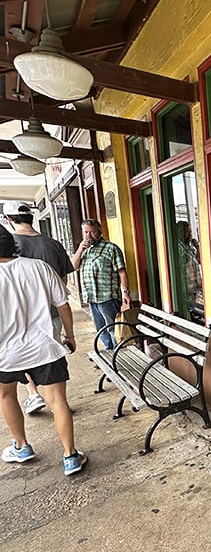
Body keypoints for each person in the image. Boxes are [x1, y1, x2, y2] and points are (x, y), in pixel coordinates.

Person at [0, 223, 86, 476]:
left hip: (6, 353)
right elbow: (63, 305)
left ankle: (22, 446)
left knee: (6, 396)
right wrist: (68, 336)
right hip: (45, 348)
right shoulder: (38, 267)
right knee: (58, 401)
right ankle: (70, 456)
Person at [3, 200, 74, 415]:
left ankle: (33, 394)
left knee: (21, 357)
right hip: (51, 311)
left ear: (9, 219)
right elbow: (63, 279)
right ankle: (55, 401)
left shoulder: (9, 245)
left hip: (13, 318)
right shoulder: (53, 244)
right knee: (48, 360)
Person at [71, 218, 131, 350]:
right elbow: (72, 266)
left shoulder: (111, 248)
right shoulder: (85, 250)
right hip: (91, 298)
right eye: (86, 232)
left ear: (99, 232)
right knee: (101, 329)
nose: (88, 236)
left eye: (91, 232)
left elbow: (122, 271)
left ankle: (118, 354)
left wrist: (125, 292)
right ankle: (108, 352)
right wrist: (80, 250)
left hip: (107, 297)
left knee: (112, 328)